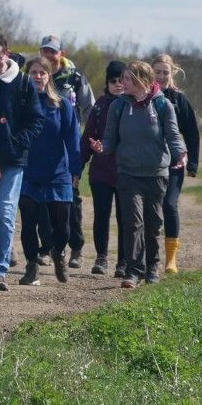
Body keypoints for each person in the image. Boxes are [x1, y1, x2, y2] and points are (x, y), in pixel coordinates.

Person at [96, 61, 187, 288]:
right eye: (122, 79)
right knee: (132, 222)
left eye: (127, 79)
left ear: (141, 81)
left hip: (156, 174)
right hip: (127, 173)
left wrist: (180, 154)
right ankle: (133, 270)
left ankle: (152, 267)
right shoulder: (118, 106)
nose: (122, 83)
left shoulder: (162, 105)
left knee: (153, 223)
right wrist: (102, 148)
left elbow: (173, 135)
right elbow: (110, 139)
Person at [0, 32, 44, 290]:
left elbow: (36, 120)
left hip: (12, 161)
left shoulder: (23, 83)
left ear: (7, 53)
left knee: (4, 214)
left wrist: (16, 141)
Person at [18, 57, 81, 286]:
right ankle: (32, 265)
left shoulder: (62, 104)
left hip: (58, 173)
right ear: (27, 75)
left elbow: (72, 137)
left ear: (49, 76)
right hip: (28, 172)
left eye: (42, 72)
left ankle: (58, 253)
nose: (37, 76)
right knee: (29, 223)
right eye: (33, 72)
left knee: (62, 227)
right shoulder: (21, 103)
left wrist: (76, 168)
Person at [39, 34, 94, 269]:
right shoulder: (35, 75)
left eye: (53, 51)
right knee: (41, 199)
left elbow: (89, 107)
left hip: (68, 145)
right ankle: (47, 248)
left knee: (71, 199)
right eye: (45, 50)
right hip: (43, 147)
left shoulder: (75, 77)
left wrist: (88, 139)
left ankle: (76, 248)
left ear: (62, 53)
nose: (49, 55)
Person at [152, 53, 201, 274]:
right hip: (148, 163)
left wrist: (193, 164)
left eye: (165, 72)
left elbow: (192, 132)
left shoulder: (179, 100)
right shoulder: (142, 97)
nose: (161, 76)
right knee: (147, 211)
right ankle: (146, 257)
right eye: (157, 72)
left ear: (172, 74)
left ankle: (171, 259)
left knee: (169, 205)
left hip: (173, 162)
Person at [80, 61, 127, 276]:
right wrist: (78, 167)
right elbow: (87, 138)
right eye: (113, 81)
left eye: (122, 80)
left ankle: (124, 261)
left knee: (126, 217)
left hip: (127, 171)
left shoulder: (134, 105)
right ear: (107, 84)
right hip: (101, 171)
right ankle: (101, 257)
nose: (118, 85)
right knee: (101, 214)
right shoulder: (99, 106)